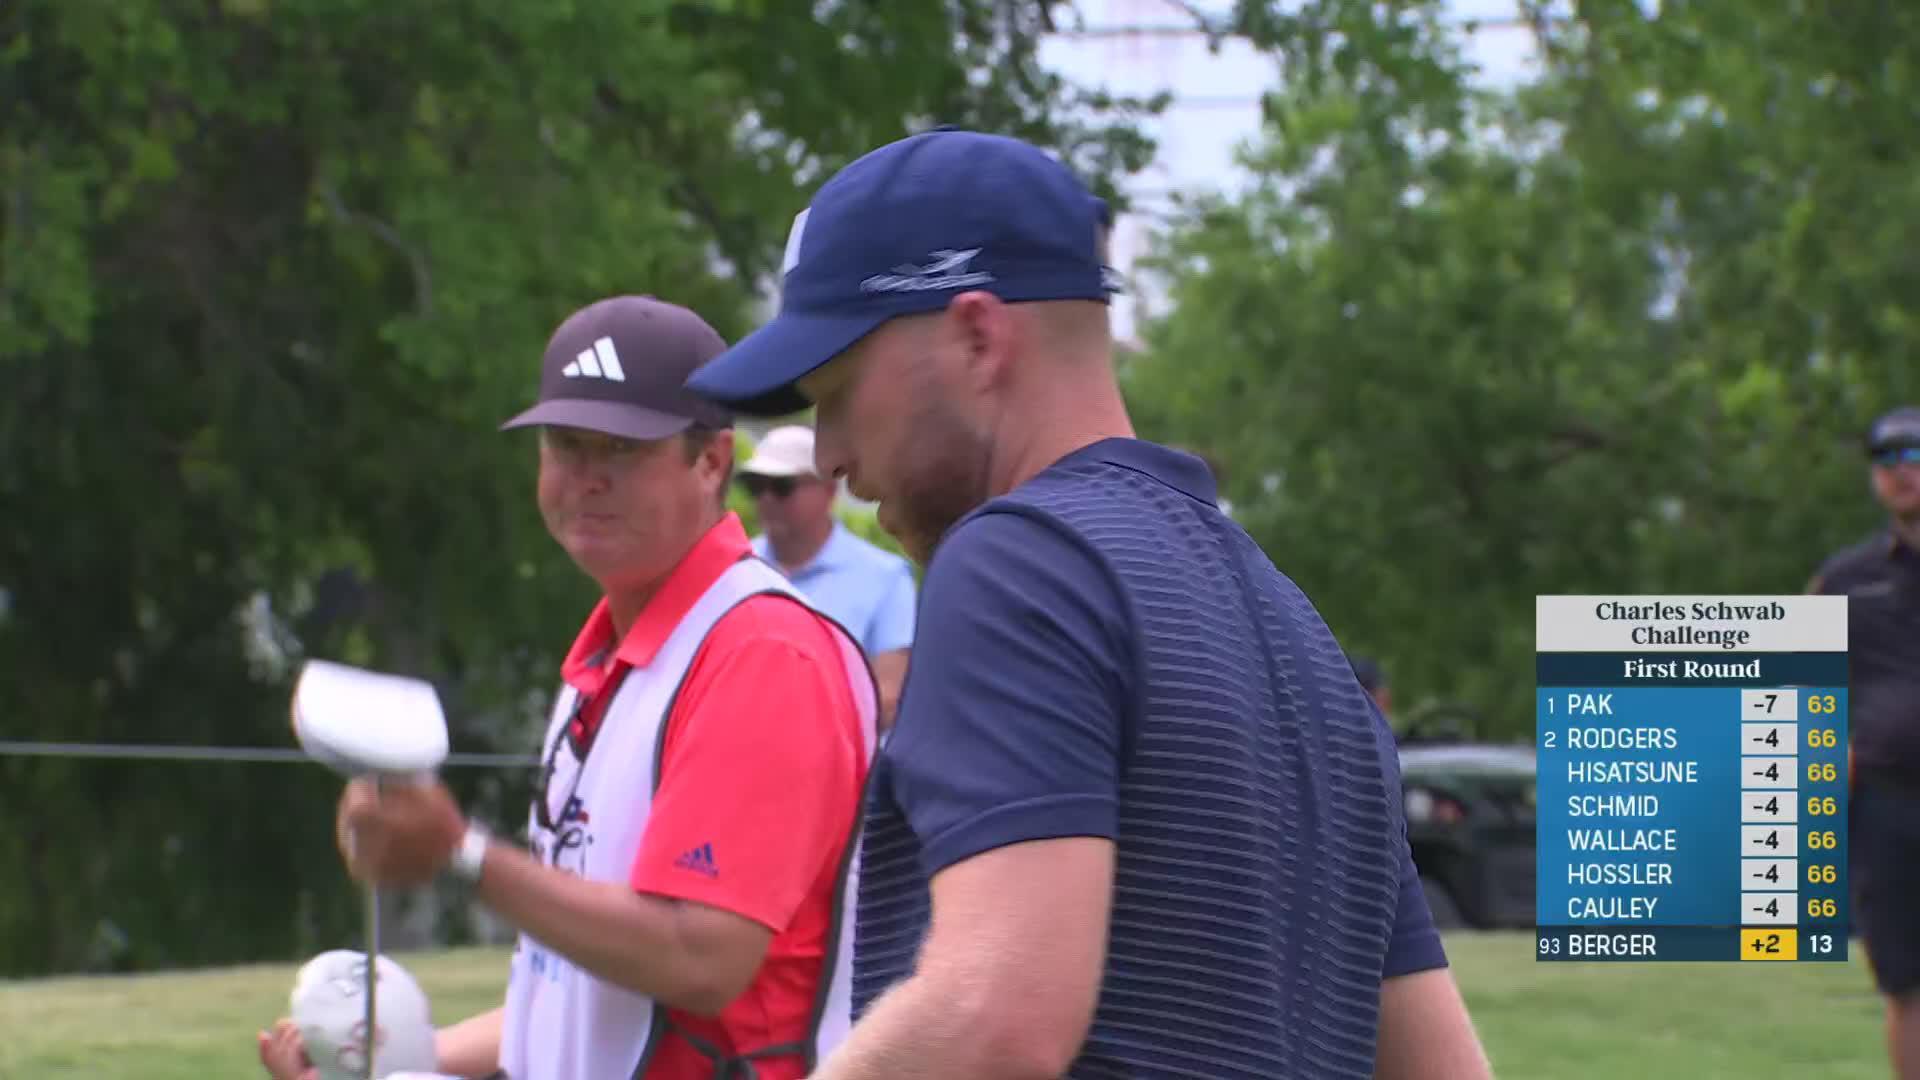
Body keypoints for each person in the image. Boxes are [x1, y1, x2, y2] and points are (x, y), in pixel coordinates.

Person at [684, 127, 1490, 1079]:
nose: (826, 454)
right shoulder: (1296, 630)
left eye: (839, 390)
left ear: (979, 337)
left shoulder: (1020, 561)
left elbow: (997, 1016)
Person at [259, 295, 879, 1080]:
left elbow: (701, 957)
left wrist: (461, 854)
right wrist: (402, 1068)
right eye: (565, 444)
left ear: (713, 461)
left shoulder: (761, 652)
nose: (586, 479)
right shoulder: (612, 657)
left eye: (622, 448)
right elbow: (572, 994)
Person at [1808, 405, 1920, 1080]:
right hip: (1886, 806)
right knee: (1906, 984)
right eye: (1887, 461)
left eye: (1913, 457)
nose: (1900, 473)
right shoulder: (1846, 580)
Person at [739, 424, 917, 731]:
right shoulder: (737, 568)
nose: (766, 499)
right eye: (756, 485)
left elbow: (889, 698)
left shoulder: (885, 577)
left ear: (829, 491)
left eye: (783, 486)